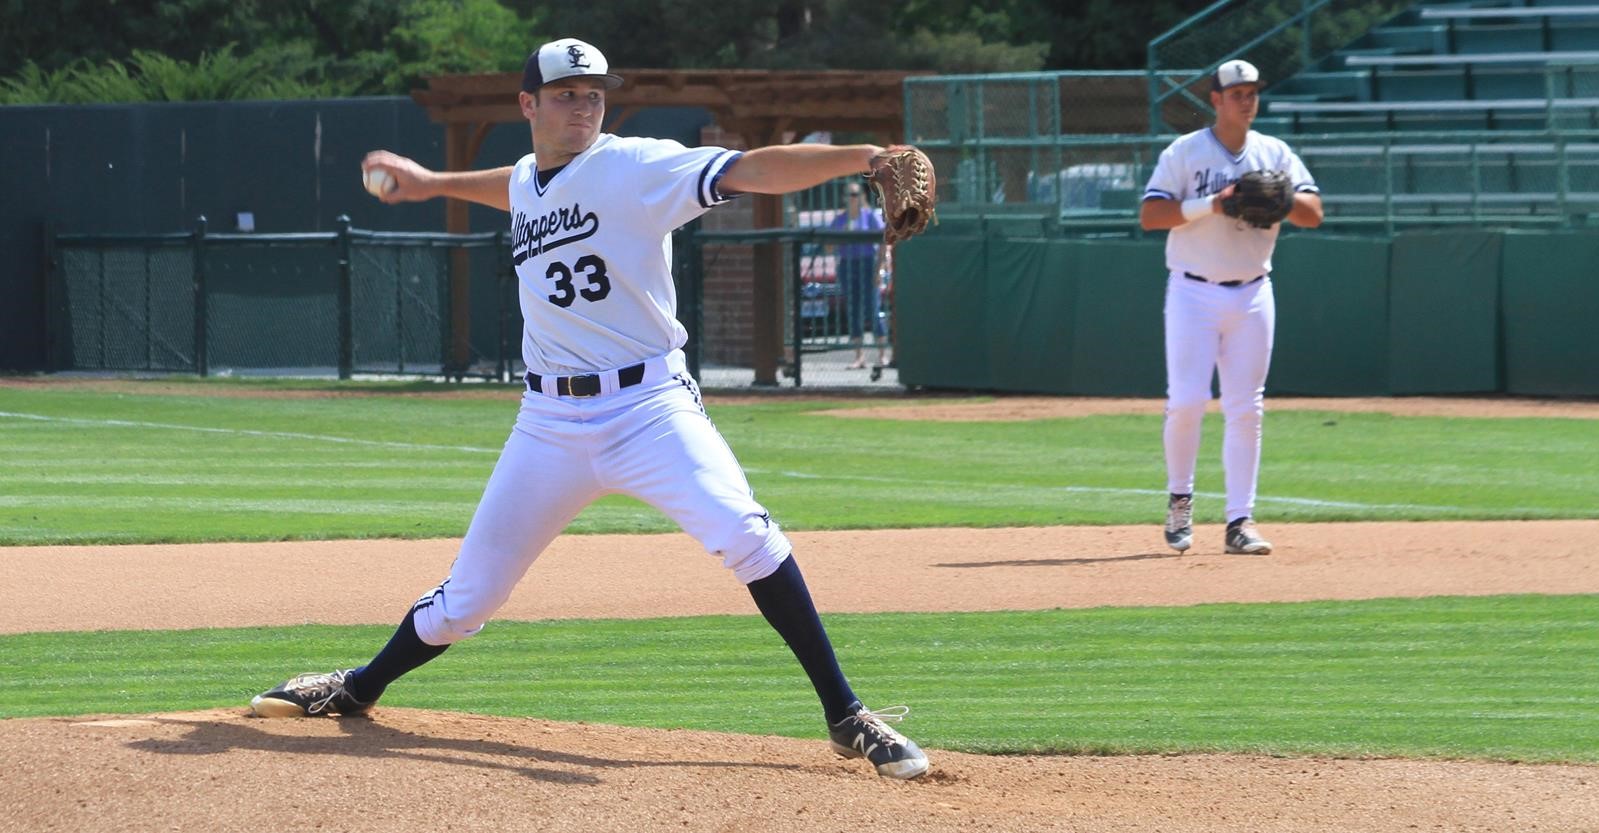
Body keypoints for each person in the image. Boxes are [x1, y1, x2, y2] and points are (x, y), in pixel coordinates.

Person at [247, 37, 929, 780]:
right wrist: (428, 181)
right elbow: (511, 185)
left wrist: (863, 158)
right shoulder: (526, 181)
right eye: (567, 91)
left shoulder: (633, 165)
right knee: (466, 599)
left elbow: (751, 167)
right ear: (528, 104)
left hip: (648, 407)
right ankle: (359, 686)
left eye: (594, 90)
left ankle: (845, 714)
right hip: (547, 424)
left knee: (744, 531)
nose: (584, 102)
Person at [1137, 59, 1322, 556]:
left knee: (1247, 408)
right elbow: (1151, 215)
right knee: (1187, 400)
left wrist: (1279, 199)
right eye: (1236, 92)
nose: (1246, 99)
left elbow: (1313, 213)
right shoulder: (1186, 151)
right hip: (1193, 290)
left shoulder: (1274, 152)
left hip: (1253, 291)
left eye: (1252, 92)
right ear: (1214, 100)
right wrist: (1212, 205)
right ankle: (1180, 499)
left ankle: (1240, 521)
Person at [828, 181, 887, 369]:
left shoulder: (869, 217)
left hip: (868, 263)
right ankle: (859, 357)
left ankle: (882, 355)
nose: (852, 198)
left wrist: (879, 270)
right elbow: (828, 247)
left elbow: (883, 242)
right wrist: (841, 235)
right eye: (849, 195)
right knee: (853, 309)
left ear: (861, 196)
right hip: (848, 265)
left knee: (873, 308)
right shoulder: (839, 220)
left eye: (855, 194)